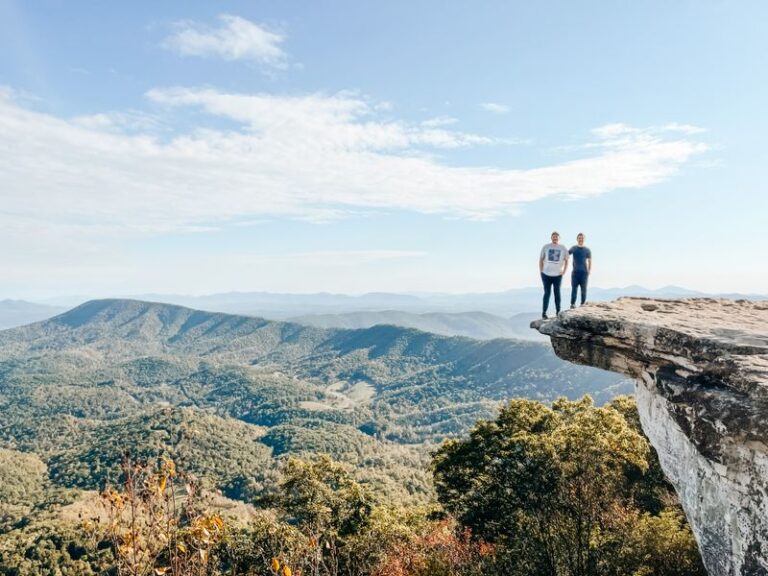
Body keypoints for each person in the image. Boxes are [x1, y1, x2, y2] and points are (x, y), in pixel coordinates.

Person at [539, 231, 569, 319]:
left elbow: (567, 260)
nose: (555, 238)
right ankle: (544, 313)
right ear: (551, 237)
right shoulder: (546, 247)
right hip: (546, 274)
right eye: (554, 236)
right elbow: (541, 259)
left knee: (557, 293)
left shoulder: (563, 248)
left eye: (557, 237)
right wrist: (541, 271)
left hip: (558, 275)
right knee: (547, 293)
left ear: (559, 238)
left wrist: (564, 271)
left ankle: (558, 312)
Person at [569, 232, 592, 308]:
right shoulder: (573, 248)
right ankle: (573, 304)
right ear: (577, 239)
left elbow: (590, 261)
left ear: (584, 239)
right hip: (575, 273)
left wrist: (589, 270)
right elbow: (566, 254)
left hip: (584, 273)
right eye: (579, 238)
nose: (580, 239)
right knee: (574, 289)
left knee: (583, 289)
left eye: (582, 238)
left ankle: (582, 304)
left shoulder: (587, 250)